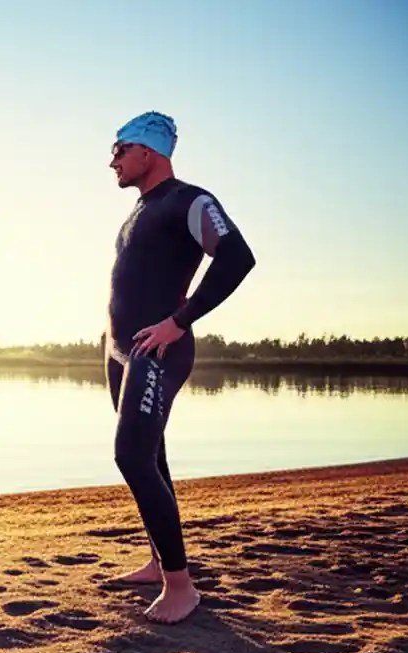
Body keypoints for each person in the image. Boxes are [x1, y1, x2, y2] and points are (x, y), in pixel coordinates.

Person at [102, 111, 257, 623]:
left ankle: (181, 587)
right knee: (153, 459)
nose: (113, 161)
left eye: (120, 149)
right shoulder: (140, 210)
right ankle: (157, 561)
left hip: (157, 350)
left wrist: (177, 321)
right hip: (121, 351)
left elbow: (236, 257)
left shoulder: (189, 200)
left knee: (131, 457)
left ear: (149, 150)